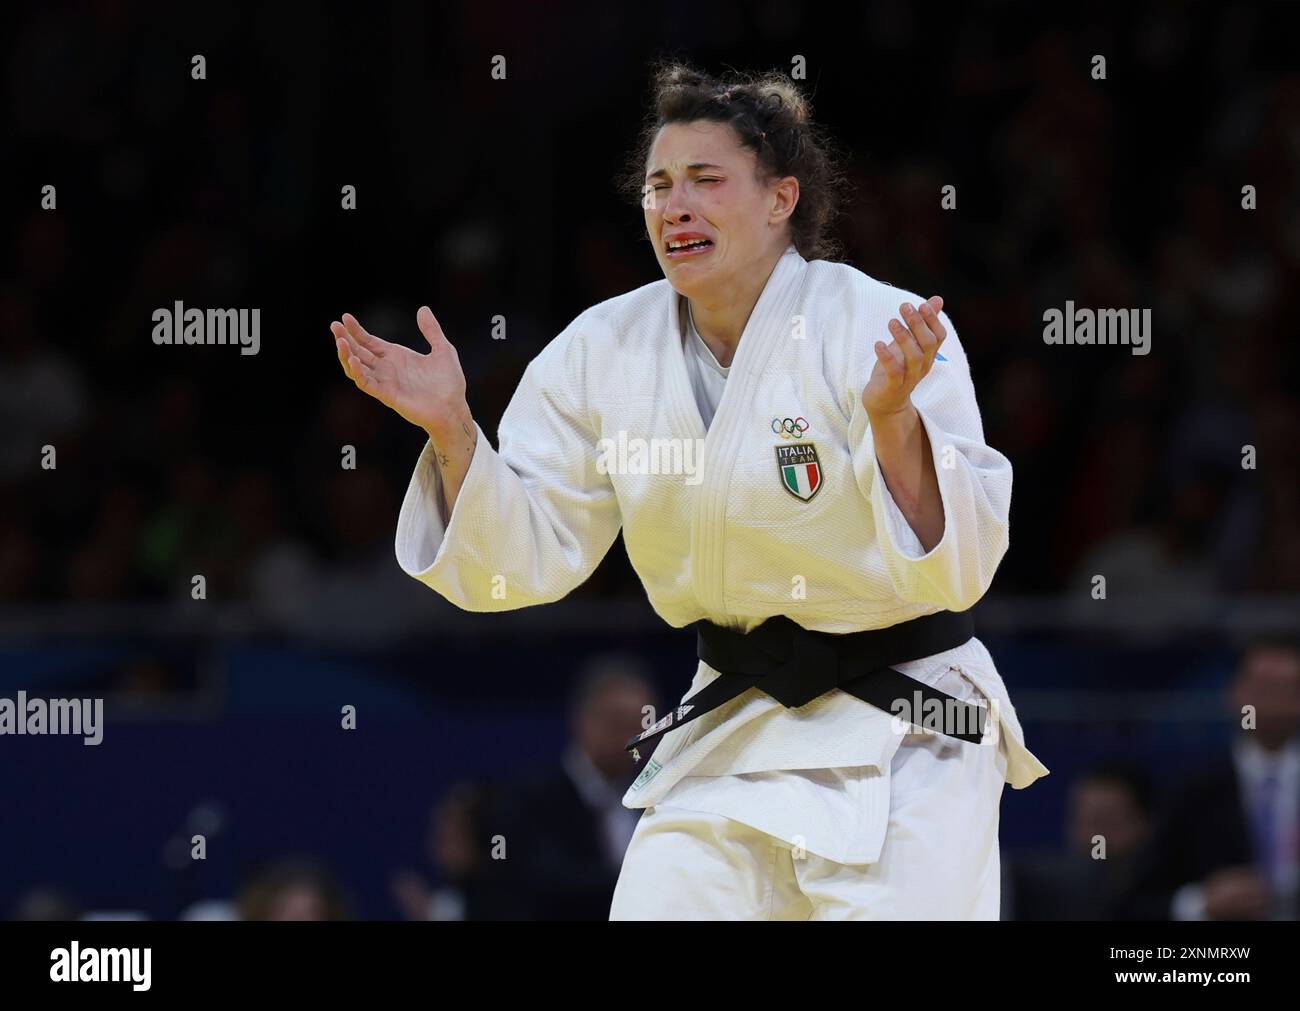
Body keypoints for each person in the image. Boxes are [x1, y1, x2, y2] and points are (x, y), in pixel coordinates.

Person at [330, 60, 1048, 920]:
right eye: (658, 185)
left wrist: (893, 420)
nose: (674, 206)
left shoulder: (878, 327)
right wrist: (454, 432)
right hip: (732, 727)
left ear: (782, 199)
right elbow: (518, 563)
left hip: (906, 726)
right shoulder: (604, 348)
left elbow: (957, 572)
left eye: (706, 181)